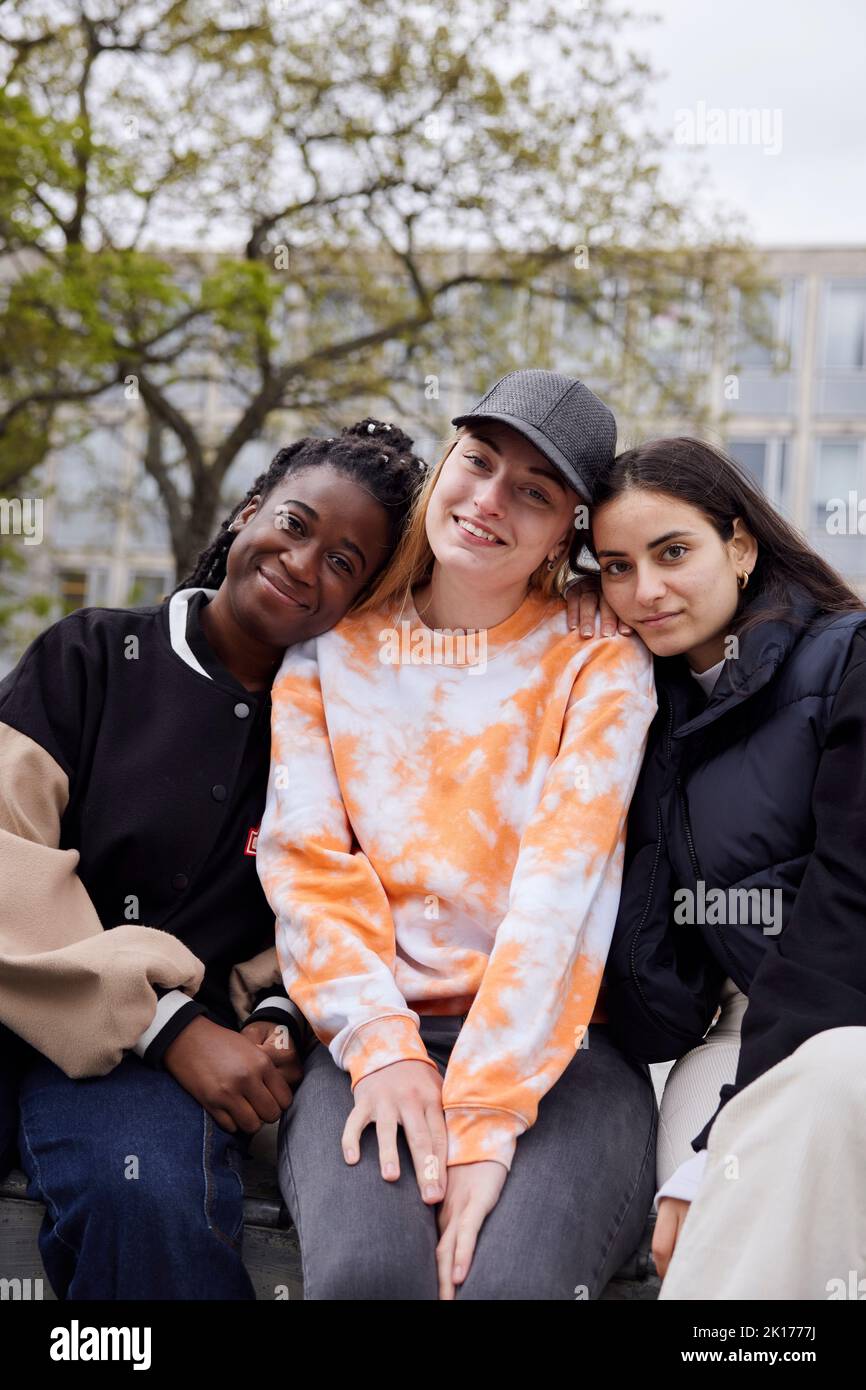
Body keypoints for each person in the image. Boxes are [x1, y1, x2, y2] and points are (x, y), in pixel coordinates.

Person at [0, 419, 429, 1299]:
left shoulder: (338, 733)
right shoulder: (90, 658)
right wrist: (165, 1023)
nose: (305, 563)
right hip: (28, 1015)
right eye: (297, 523)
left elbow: (335, 904)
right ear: (247, 514)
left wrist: (277, 1017)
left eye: (345, 562)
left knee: (150, 1200)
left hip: (139, 1082)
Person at [256, 369, 660, 1300]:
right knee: (369, 1278)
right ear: (445, 466)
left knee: (508, 1286)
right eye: (477, 464)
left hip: (562, 1053)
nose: (487, 502)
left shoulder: (599, 658)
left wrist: (483, 1117)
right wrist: (384, 1046)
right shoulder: (330, 651)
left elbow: (565, 892)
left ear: (570, 530)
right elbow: (310, 867)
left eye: (534, 492)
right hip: (375, 1034)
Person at [585, 436, 866, 1300]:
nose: (647, 591)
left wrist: (721, 1141)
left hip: (836, 1019)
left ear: (740, 547)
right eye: (616, 567)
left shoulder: (850, 656)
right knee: (706, 1237)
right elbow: (658, 1002)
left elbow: (846, 912)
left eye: (674, 552)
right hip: (744, 1029)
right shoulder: (644, 704)